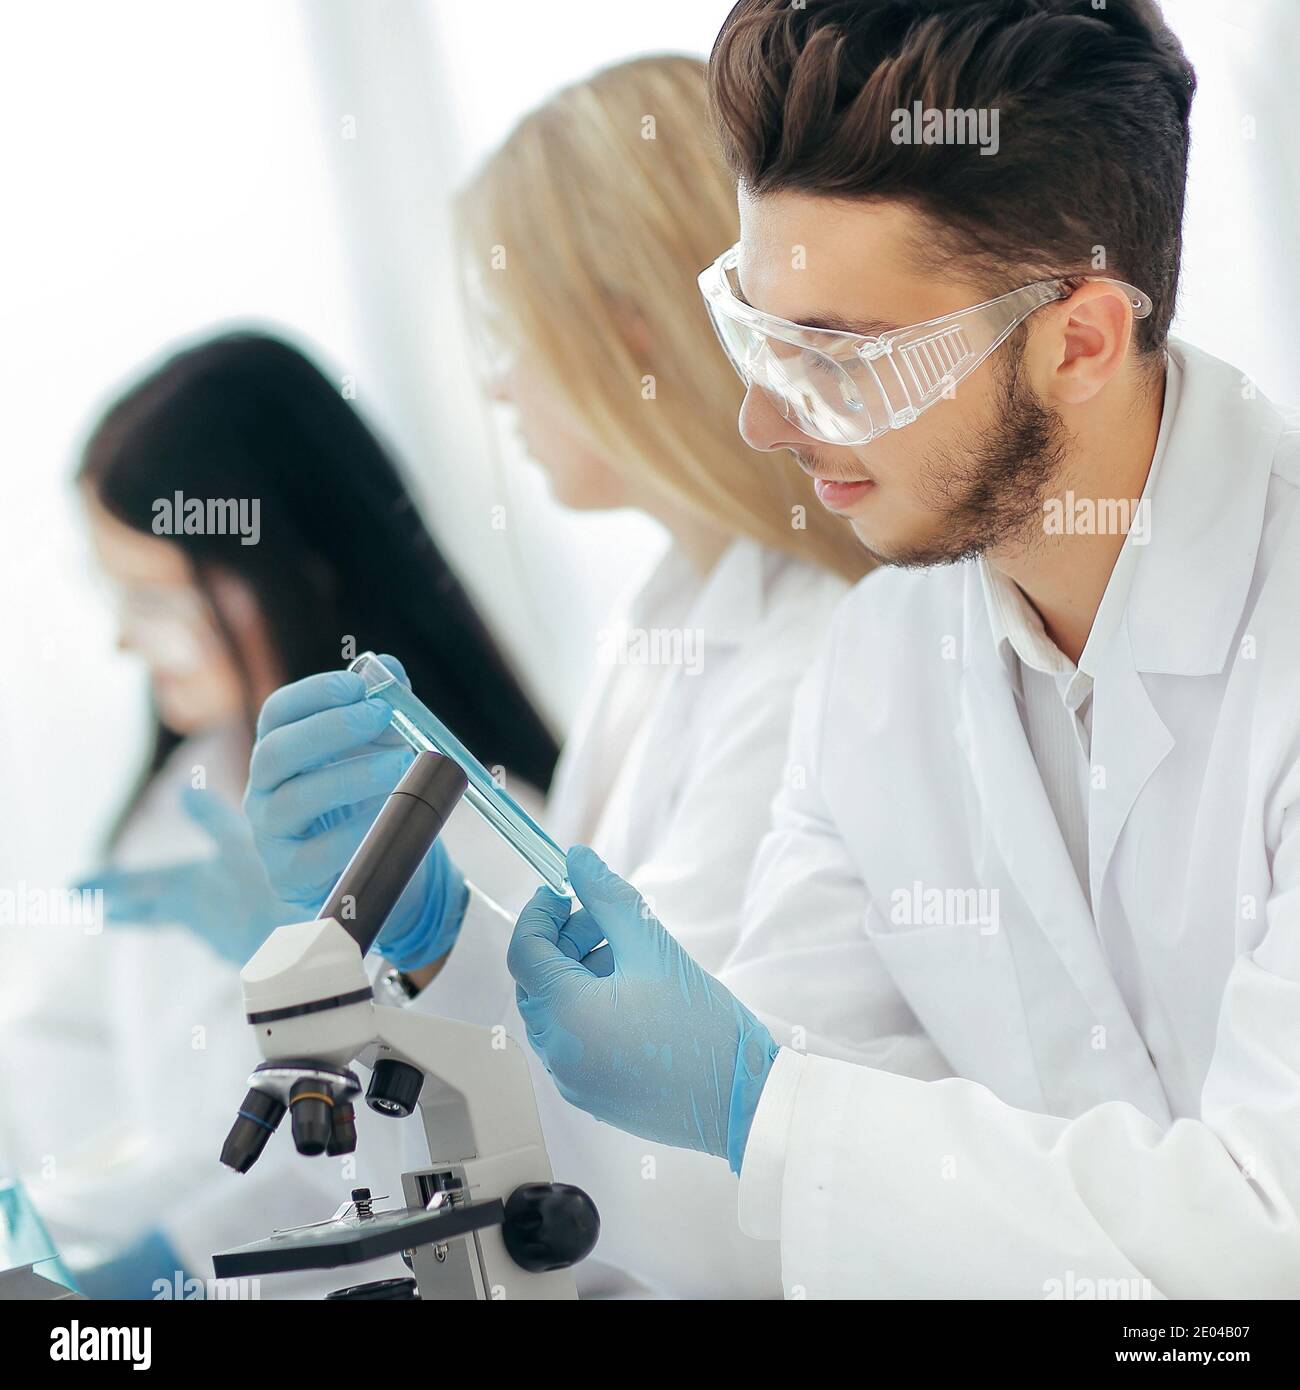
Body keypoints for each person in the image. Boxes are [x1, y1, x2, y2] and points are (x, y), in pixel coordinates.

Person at [500, 0, 1300, 1298]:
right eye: (757, 331)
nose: (763, 418)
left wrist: (769, 1107)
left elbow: (1269, 1236)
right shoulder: (879, 665)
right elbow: (773, 1196)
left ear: (1078, 341)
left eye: (839, 356)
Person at [243, 55, 869, 1298]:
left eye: (505, 332)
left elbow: (666, 1110)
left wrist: (443, 949)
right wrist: (431, 945)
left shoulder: (821, 649)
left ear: (624, 331)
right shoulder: (671, 613)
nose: (494, 383)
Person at [0, 331, 557, 1297]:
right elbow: (68, 1069)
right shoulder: (180, 804)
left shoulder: (458, 823)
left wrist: (166, 1268)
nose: (127, 639)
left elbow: (409, 1153)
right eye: (113, 591)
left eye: (157, 598)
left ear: (300, 569)